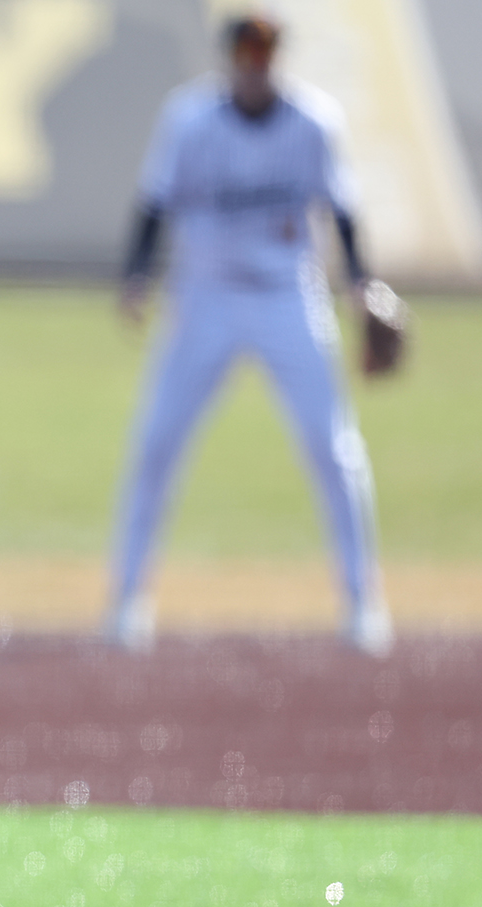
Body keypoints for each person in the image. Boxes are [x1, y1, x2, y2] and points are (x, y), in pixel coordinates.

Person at [108, 12, 390, 656]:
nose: (256, 61)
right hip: (203, 298)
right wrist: (135, 278)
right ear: (230, 58)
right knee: (156, 445)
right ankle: (127, 599)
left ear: (277, 57)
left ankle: (362, 601)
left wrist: (361, 286)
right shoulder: (190, 120)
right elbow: (154, 202)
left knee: (333, 448)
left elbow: (341, 210)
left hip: (287, 297)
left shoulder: (314, 121)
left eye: (266, 50)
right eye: (246, 49)